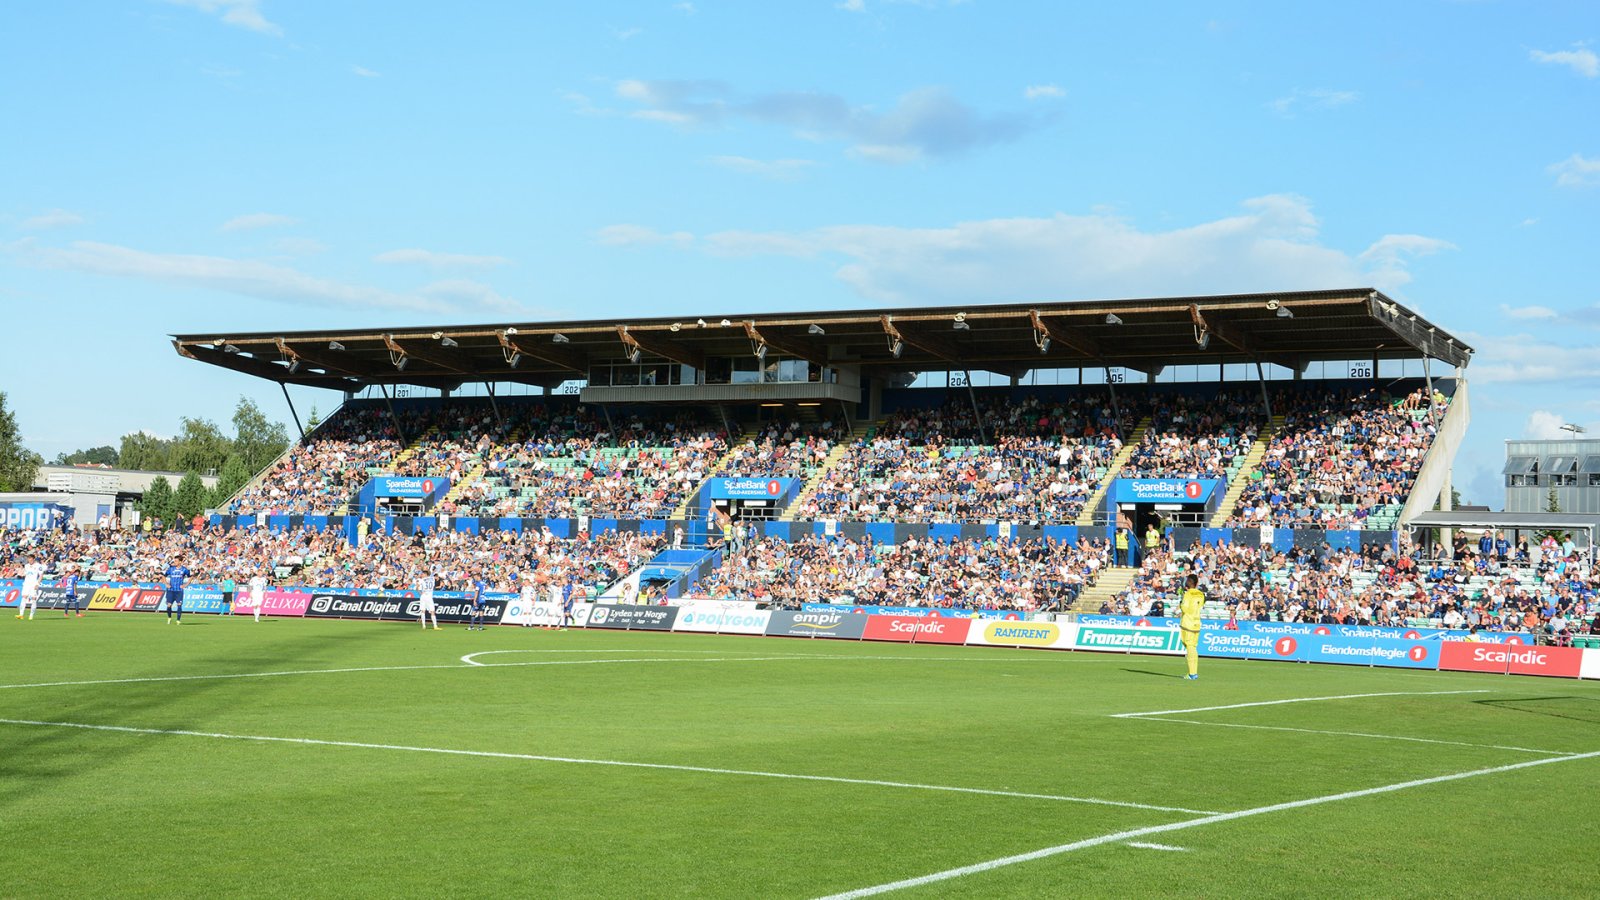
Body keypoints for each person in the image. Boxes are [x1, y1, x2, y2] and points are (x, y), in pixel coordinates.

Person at [1179, 573, 1205, 681]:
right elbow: (1201, 605)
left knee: (1189, 647)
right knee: (1193, 647)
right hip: (1197, 622)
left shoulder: (1188, 594)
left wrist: (1181, 602)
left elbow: (1184, 608)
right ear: (1197, 583)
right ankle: (1193, 672)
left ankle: (1192, 673)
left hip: (1188, 623)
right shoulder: (1201, 594)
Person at [164, 558, 191, 624]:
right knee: (169, 605)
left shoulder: (184, 569)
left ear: (180, 562)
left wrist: (186, 584)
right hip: (171, 590)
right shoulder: (171, 569)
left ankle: (178, 620)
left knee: (179, 604)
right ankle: (169, 618)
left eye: (176, 561)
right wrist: (166, 584)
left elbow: (190, 577)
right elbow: (163, 576)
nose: (175, 562)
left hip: (179, 590)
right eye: (174, 561)